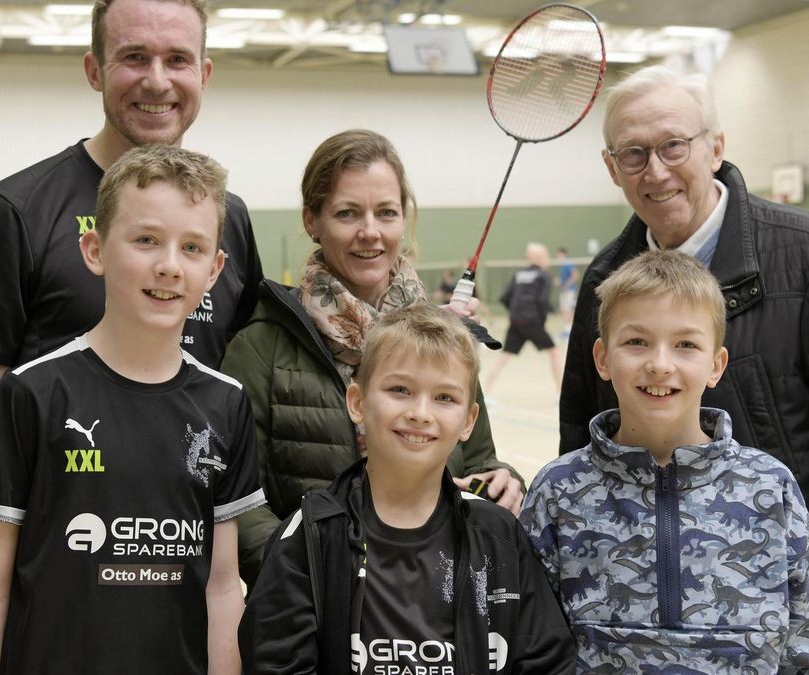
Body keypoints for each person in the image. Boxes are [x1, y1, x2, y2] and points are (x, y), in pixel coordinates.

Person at [0, 0, 264, 654]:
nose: (158, 80)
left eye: (177, 60)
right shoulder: (14, 212)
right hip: (51, 600)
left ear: (205, 73)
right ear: (94, 69)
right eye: (134, 57)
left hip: (172, 596)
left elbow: (250, 367)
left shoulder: (229, 218)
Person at [559, 65, 809, 674]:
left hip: (780, 637)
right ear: (611, 167)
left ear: (715, 147)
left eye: (674, 145)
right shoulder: (603, 281)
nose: (657, 170)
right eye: (634, 154)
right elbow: (580, 446)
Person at [221, 129, 523, 586]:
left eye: (386, 213)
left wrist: (501, 481)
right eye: (347, 213)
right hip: (315, 611)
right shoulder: (261, 346)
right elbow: (240, 504)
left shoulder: (443, 340)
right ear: (312, 220)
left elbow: (478, 460)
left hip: (433, 604)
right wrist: (313, 577)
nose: (370, 232)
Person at [525, 250, 809, 671]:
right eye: (636, 342)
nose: (660, 364)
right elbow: (529, 644)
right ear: (602, 358)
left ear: (716, 365)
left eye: (685, 345)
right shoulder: (557, 490)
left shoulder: (770, 487)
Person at [239, 304, 575, 674]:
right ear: (358, 402)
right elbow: (275, 662)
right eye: (400, 389)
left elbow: (547, 661)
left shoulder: (498, 538)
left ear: (469, 421)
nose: (420, 412)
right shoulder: (309, 536)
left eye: (444, 397)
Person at [483, 242, 562, 392]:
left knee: (503, 357)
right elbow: (542, 300)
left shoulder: (519, 274)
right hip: (532, 321)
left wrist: (514, 312)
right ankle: (561, 393)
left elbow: (505, 297)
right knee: (555, 352)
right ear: (539, 257)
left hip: (516, 321)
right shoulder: (544, 275)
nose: (548, 258)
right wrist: (543, 320)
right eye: (546, 255)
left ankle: (486, 392)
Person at [555, 246, 579, 338]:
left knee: (567, 309)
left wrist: (567, 285)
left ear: (563, 254)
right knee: (566, 309)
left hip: (569, 291)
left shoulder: (567, 263)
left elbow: (575, 274)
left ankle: (568, 331)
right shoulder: (562, 265)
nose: (557, 256)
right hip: (565, 291)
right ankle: (567, 329)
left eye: (558, 254)